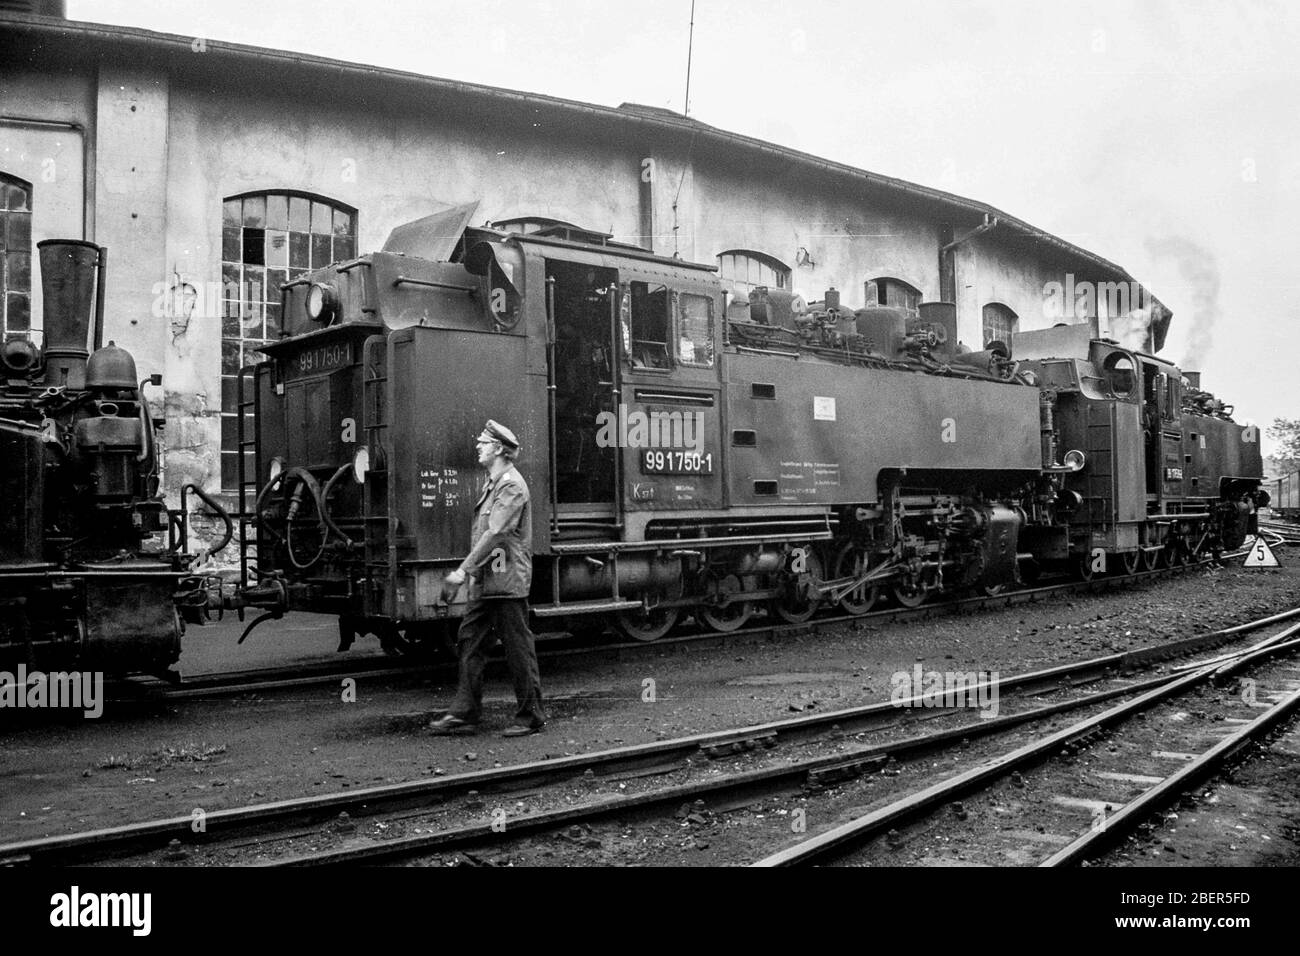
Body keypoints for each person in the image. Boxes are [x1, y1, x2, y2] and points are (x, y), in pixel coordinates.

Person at [429, 420, 546, 737]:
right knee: (469, 642)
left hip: (506, 583)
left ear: (498, 449)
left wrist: (461, 571)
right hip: (487, 583)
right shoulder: (493, 483)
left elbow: (495, 532)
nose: (478, 446)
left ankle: (531, 716)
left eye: (483, 443)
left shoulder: (511, 486)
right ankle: (465, 711)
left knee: (517, 649)